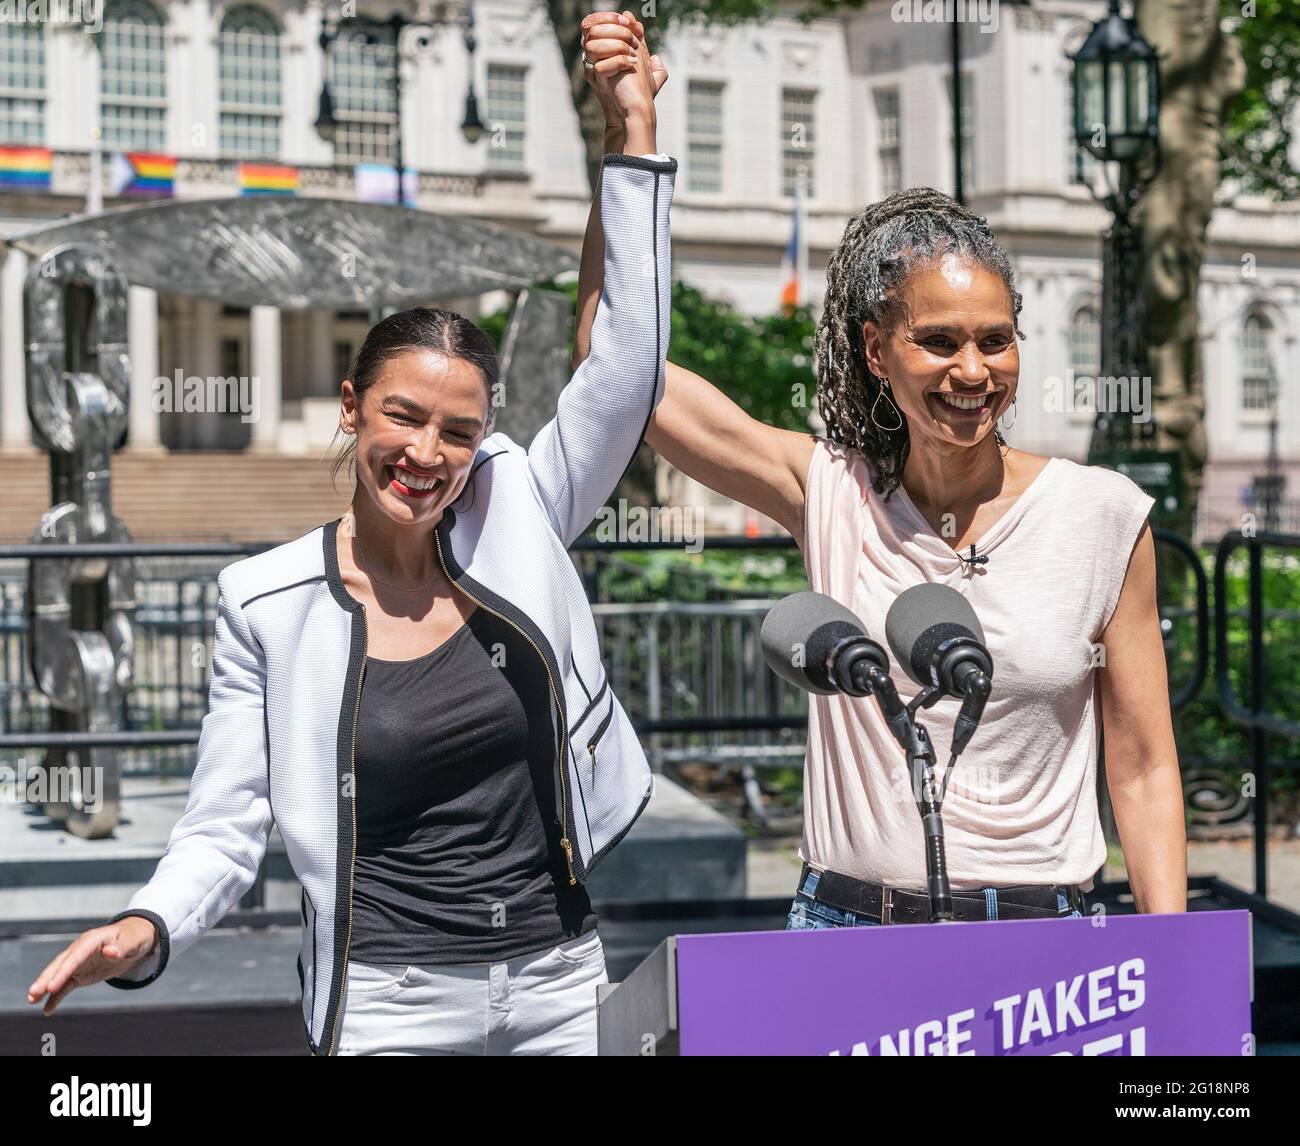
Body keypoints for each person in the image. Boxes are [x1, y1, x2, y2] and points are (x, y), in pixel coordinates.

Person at [26, 12, 676, 1055]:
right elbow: (226, 826)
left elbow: (627, 367)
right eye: (403, 419)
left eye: (458, 430)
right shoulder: (266, 604)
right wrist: (147, 928)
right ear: (351, 409)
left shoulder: (520, 507)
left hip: (558, 983)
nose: (427, 453)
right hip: (390, 1005)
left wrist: (631, 133)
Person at [579, 16, 1187, 929]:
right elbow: (614, 363)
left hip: (1046, 940)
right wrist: (632, 141)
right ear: (876, 350)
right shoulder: (829, 489)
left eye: (996, 340)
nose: (973, 372)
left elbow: (1142, 768)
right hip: (850, 930)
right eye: (937, 342)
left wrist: (1176, 973)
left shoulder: (1103, 516)